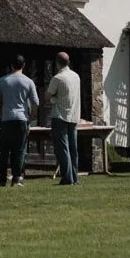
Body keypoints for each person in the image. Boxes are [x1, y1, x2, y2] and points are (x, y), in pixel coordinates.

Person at [0, 54, 39, 187]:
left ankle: (2, 179)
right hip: (21, 118)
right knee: (19, 150)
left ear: (11, 66)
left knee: (4, 150)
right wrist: (31, 117)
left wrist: (1, 115)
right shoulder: (28, 82)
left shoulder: (2, 81)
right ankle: (16, 178)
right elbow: (35, 102)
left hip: (7, 118)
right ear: (23, 65)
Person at [46, 51, 82, 185]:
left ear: (57, 63)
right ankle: (74, 177)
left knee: (62, 148)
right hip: (73, 115)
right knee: (73, 148)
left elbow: (47, 96)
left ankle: (67, 178)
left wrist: (54, 99)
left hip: (60, 115)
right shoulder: (76, 76)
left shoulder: (57, 78)